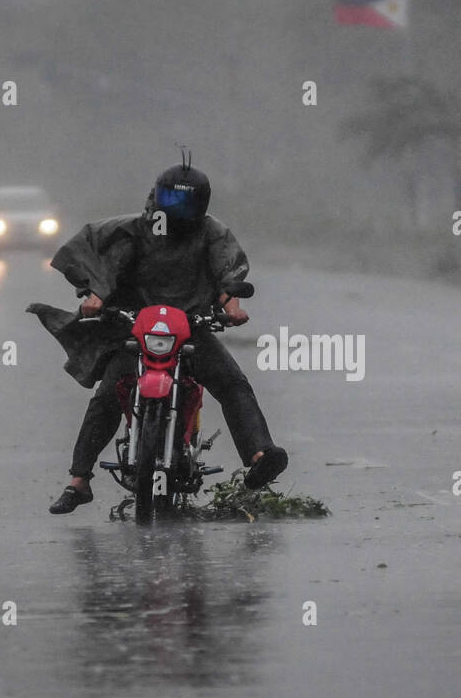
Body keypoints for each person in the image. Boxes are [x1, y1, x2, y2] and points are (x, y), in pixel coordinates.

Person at [35, 157, 288, 514]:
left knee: (233, 385)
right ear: (156, 197)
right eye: (172, 200)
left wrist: (231, 305)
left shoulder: (213, 233)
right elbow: (100, 264)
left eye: (188, 202)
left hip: (192, 329)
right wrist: (94, 295)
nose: (178, 210)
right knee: (107, 396)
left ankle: (260, 455)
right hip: (135, 329)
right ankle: (79, 481)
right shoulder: (130, 230)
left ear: (203, 204)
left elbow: (227, 273)